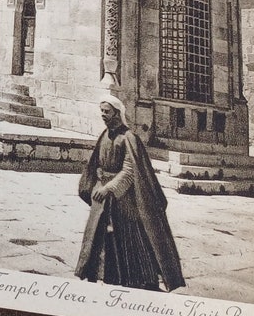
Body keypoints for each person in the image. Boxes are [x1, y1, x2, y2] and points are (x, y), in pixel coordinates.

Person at [75, 95, 185, 292]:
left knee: (130, 238)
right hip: (103, 196)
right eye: (101, 111)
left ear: (117, 113)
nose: (102, 115)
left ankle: (143, 278)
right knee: (103, 238)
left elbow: (129, 171)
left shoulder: (129, 138)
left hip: (124, 200)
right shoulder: (104, 135)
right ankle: (104, 275)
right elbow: (97, 162)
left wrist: (109, 188)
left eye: (106, 111)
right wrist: (98, 178)